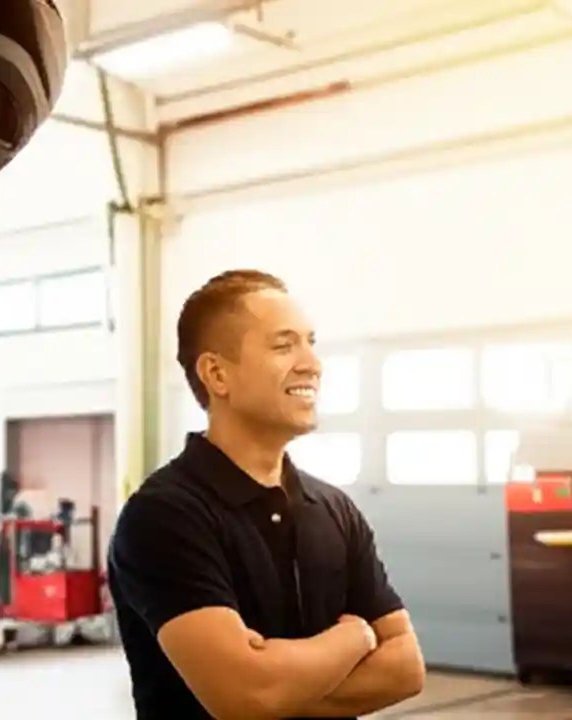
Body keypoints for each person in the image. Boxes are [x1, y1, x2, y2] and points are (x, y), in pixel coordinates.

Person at [108, 270, 425, 720]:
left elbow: (406, 669)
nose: (311, 363)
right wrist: (353, 640)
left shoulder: (333, 509)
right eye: (284, 345)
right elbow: (247, 696)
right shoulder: (164, 516)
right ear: (217, 374)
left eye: (311, 342)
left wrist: (279, 682)